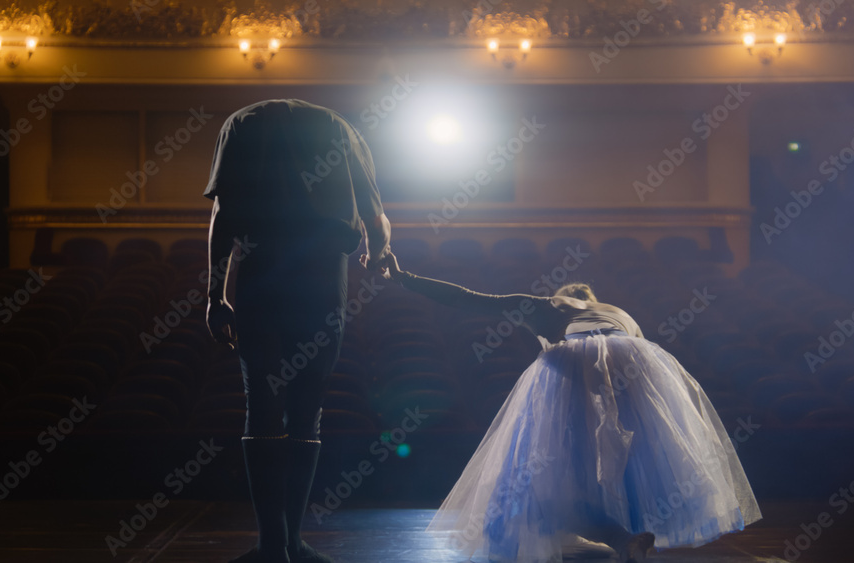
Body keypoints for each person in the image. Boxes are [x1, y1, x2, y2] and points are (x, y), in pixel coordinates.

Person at [377, 252, 761, 563]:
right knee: (632, 461)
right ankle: (626, 532)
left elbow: (467, 298)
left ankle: (612, 533)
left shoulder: (547, 304)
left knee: (551, 470)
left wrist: (403, 277)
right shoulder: (620, 312)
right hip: (637, 356)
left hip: (577, 357)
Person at [204, 99, 392, 563]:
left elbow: (223, 215)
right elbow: (374, 210)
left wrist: (214, 295)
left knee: (262, 409)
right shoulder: (342, 128)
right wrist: (382, 248)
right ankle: (291, 541)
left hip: (261, 269)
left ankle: (274, 544)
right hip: (324, 275)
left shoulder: (241, 123)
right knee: (307, 411)